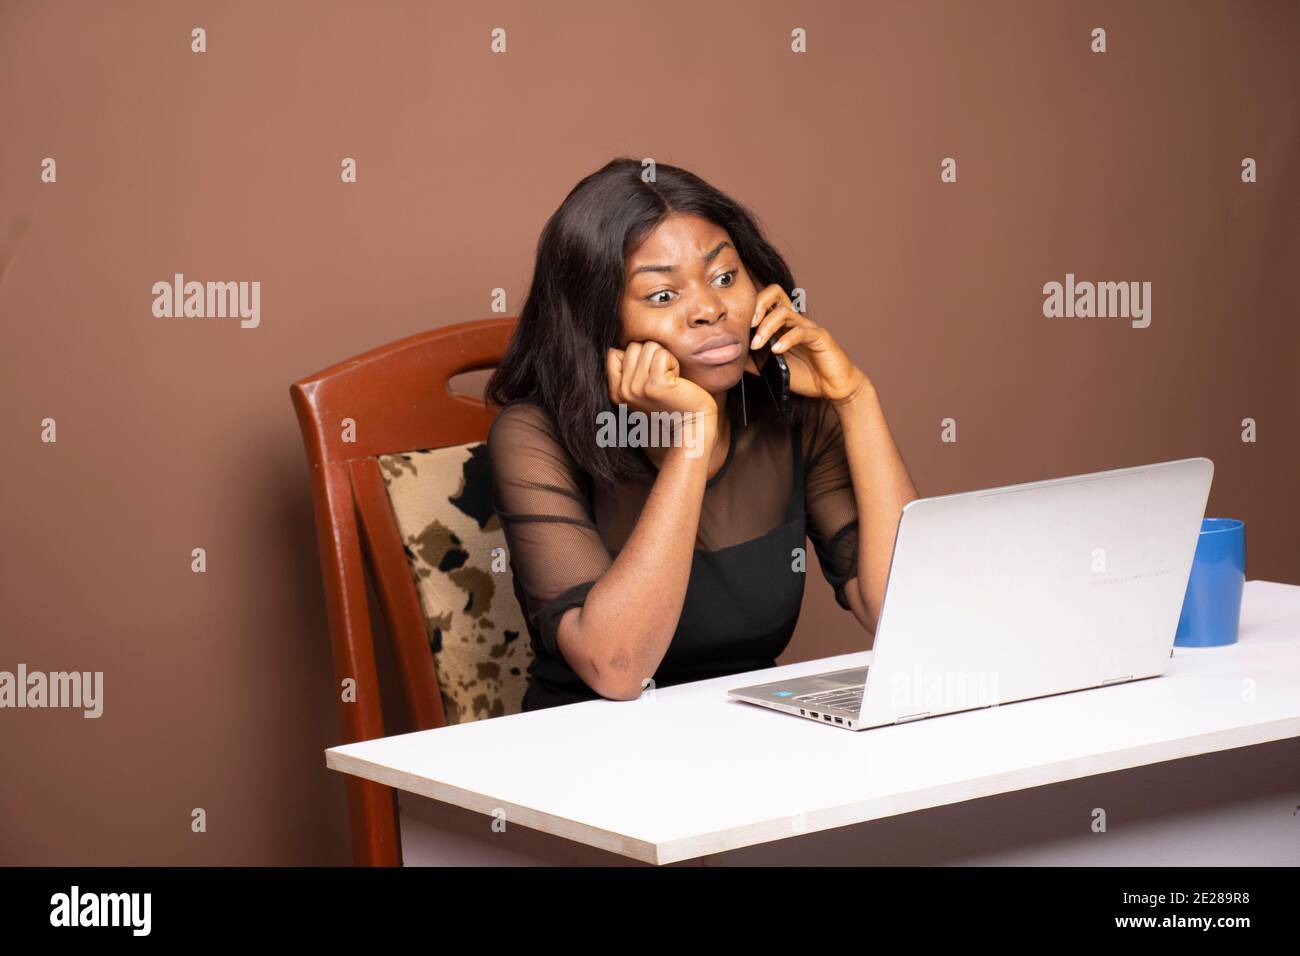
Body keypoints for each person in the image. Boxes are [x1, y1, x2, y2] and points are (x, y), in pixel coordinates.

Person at [485, 158, 918, 711]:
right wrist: (691, 437)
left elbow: (900, 613)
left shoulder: (790, 412)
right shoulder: (535, 436)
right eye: (663, 296)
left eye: (724, 277)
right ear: (598, 324)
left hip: (750, 744)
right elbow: (617, 669)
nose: (711, 310)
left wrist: (855, 398)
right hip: (589, 759)